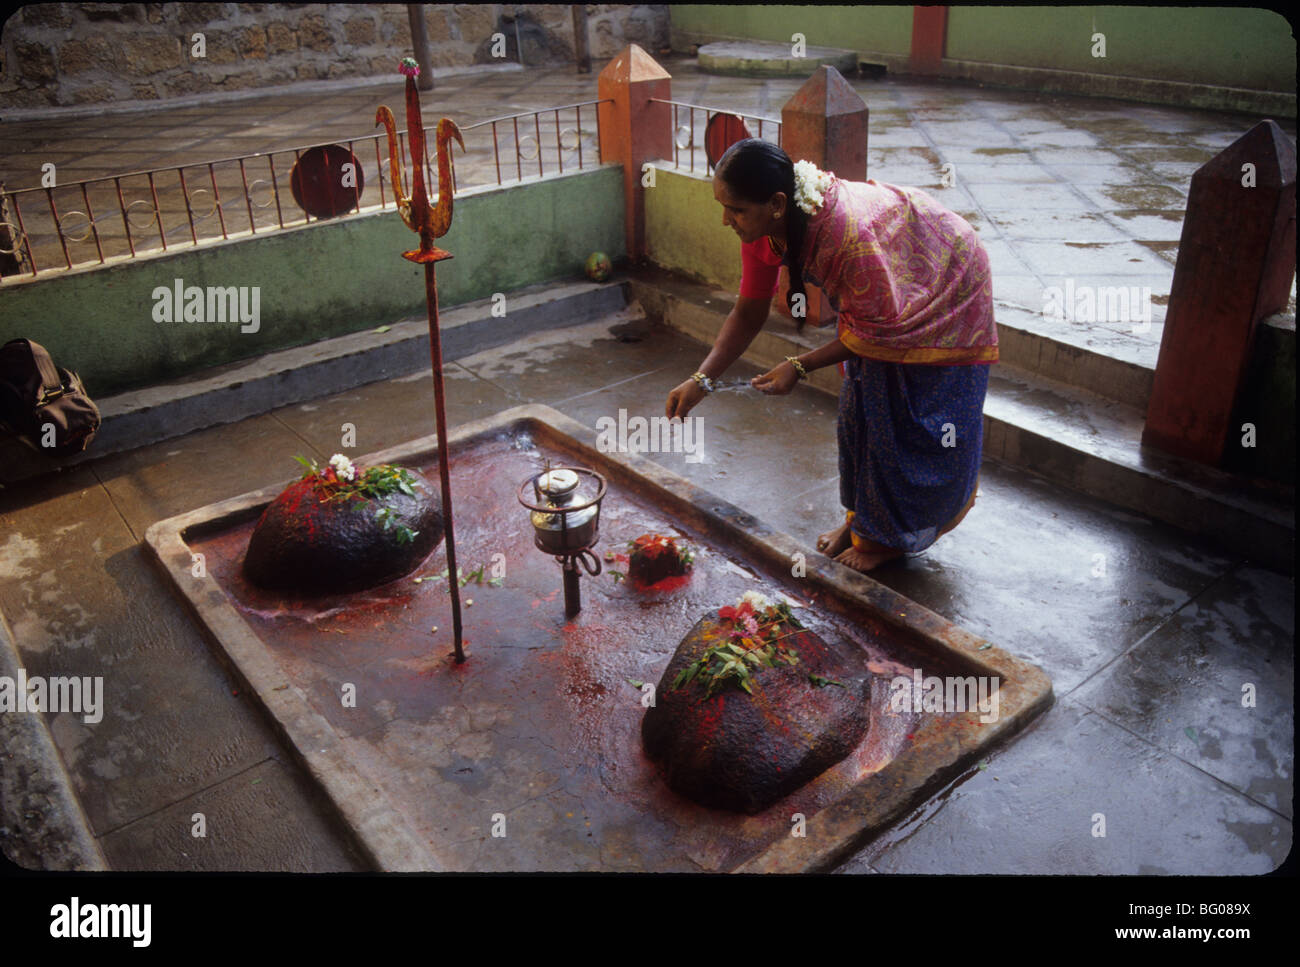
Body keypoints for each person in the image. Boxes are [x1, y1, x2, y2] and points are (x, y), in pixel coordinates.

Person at [664, 139, 997, 573]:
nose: (726, 220)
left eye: (737, 209)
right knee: (861, 407)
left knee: (903, 422)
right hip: (884, 300)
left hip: (948, 284)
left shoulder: (845, 236)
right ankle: (863, 520)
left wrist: (799, 366)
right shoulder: (765, 230)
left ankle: (886, 539)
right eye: (723, 206)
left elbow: (875, 331)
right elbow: (749, 311)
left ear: (778, 203)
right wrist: (701, 380)